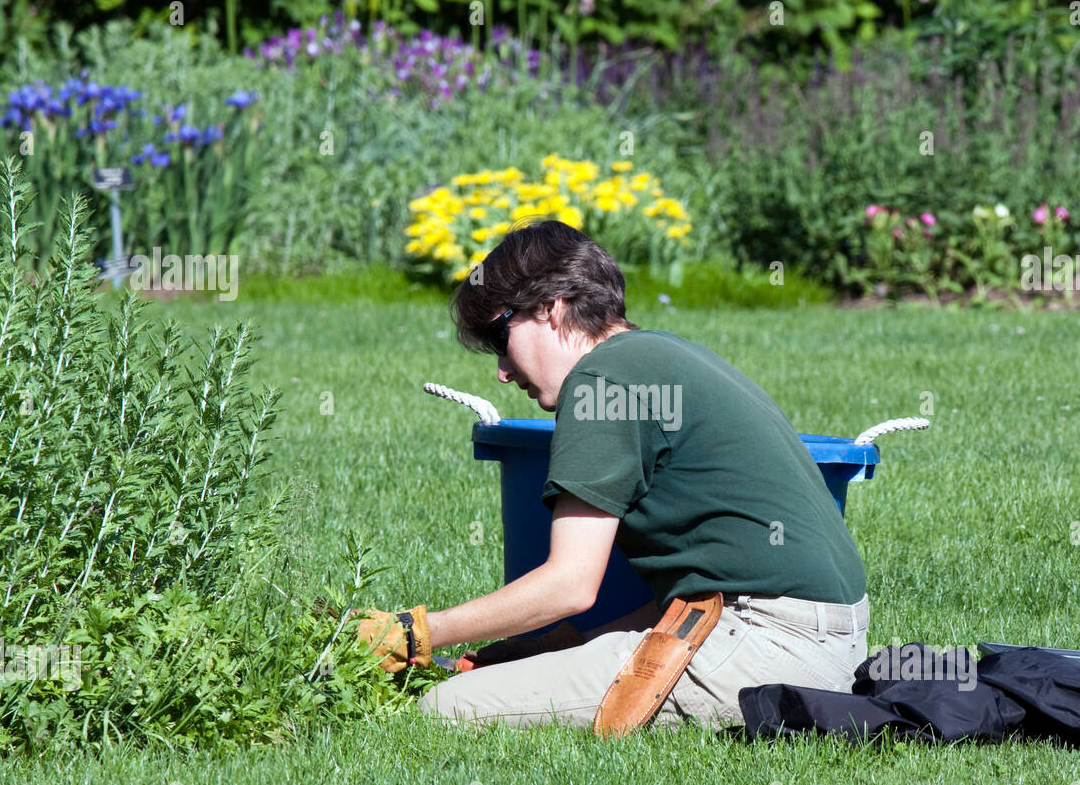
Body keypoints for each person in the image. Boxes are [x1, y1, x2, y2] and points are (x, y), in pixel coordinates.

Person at [361, 219, 870, 730]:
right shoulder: (659, 354)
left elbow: (570, 586)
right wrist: (554, 649)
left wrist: (413, 631)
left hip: (769, 646)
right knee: (477, 681)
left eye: (500, 335)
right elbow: (703, 594)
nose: (502, 370)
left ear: (552, 307)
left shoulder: (600, 382)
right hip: (815, 638)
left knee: (442, 708)